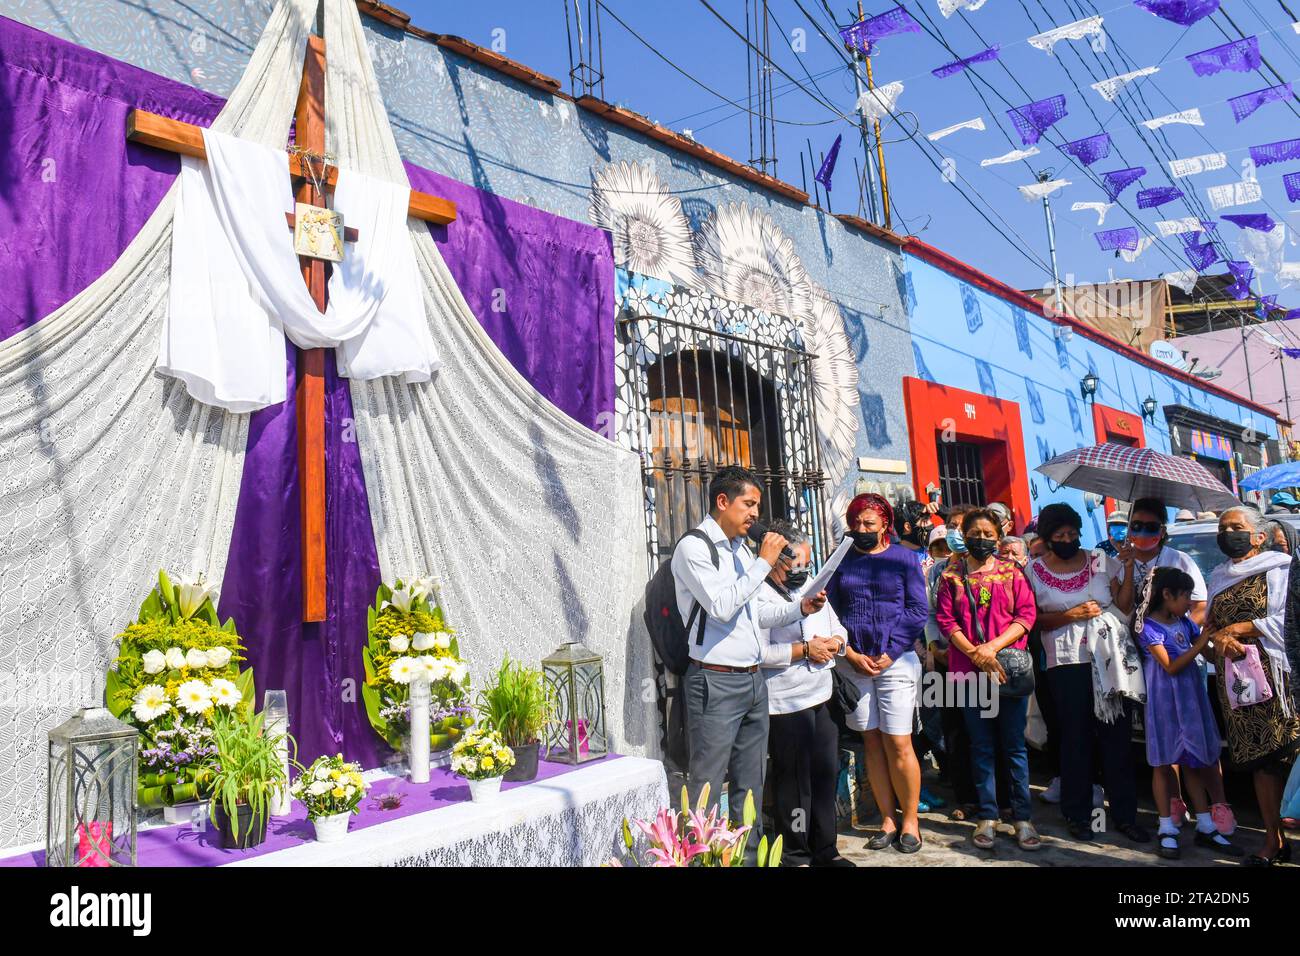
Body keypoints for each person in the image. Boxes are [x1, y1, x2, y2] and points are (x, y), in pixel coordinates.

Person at [671, 465, 826, 857]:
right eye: (748, 503)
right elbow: (722, 607)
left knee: (750, 785)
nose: (756, 513)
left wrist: (800, 610)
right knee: (706, 785)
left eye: (758, 504)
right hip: (715, 682)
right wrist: (763, 561)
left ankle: (749, 858)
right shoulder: (694, 548)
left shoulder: (741, 550)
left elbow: (757, 614)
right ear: (722, 502)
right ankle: (702, 859)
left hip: (754, 681)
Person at [1026, 502, 1148, 844]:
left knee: (1116, 739)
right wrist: (1071, 614)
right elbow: (1032, 620)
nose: (1067, 539)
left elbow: (1124, 606)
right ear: (1047, 538)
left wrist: (1124, 572)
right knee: (1075, 740)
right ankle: (1078, 816)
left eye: (1072, 533)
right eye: (1059, 535)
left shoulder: (1098, 560)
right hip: (1066, 663)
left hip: (1108, 660)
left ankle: (1125, 815)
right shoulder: (1033, 570)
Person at [828, 493, 929, 853]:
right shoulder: (841, 560)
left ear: (885, 523)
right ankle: (887, 819)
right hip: (854, 662)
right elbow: (830, 612)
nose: (861, 529)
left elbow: (918, 610)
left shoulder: (904, 558)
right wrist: (849, 652)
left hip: (896, 661)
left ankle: (911, 821)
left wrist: (890, 652)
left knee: (898, 741)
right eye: (856, 523)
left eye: (868, 523)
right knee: (870, 740)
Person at [935, 509, 1041, 851]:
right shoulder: (950, 575)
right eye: (974, 532)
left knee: (1013, 747)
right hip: (968, 674)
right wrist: (975, 654)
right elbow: (946, 621)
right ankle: (987, 815)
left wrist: (991, 649)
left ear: (999, 536)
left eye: (988, 533)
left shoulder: (1013, 572)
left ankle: (1022, 817)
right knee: (979, 746)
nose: (981, 538)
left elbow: (1026, 615)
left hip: (1007, 669)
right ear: (964, 535)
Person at [1204, 505, 1300, 865]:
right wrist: (1218, 640)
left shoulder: (1280, 569)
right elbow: (1210, 625)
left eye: (1237, 527)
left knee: (1292, 757)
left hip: (1281, 677)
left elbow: (1286, 620)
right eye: (1223, 527)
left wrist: (1242, 629)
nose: (1229, 533)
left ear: (1259, 536)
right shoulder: (1218, 576)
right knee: (1262, 763)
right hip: (1240, 684)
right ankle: (1273, 841)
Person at [757, 521, 855, 868]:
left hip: (822, 697)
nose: (803, 572)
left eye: (808, 565)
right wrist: (803, 650)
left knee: (825, 773)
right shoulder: (759, 595)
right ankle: (795, 854)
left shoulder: (811, 591)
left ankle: (826, 849)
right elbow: (758, 653)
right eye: (796, 564)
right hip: (786, 703)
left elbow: (837, 628)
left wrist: (836, 644)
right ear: (775, 561)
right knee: (794, 783)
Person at [1138, 567, 1242, 860]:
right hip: (1165, 706)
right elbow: (1170, 666)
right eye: (1185, 596)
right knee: (1163, 764)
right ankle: (1166, 828)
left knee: (1192, 762)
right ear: (1166, 595)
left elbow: (1207, 654)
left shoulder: (1185, 623)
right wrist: (1200, 643)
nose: (1190, 602)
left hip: (1190, 702)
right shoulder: (1148, 628)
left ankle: (1205, 824)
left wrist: (1216, 637)